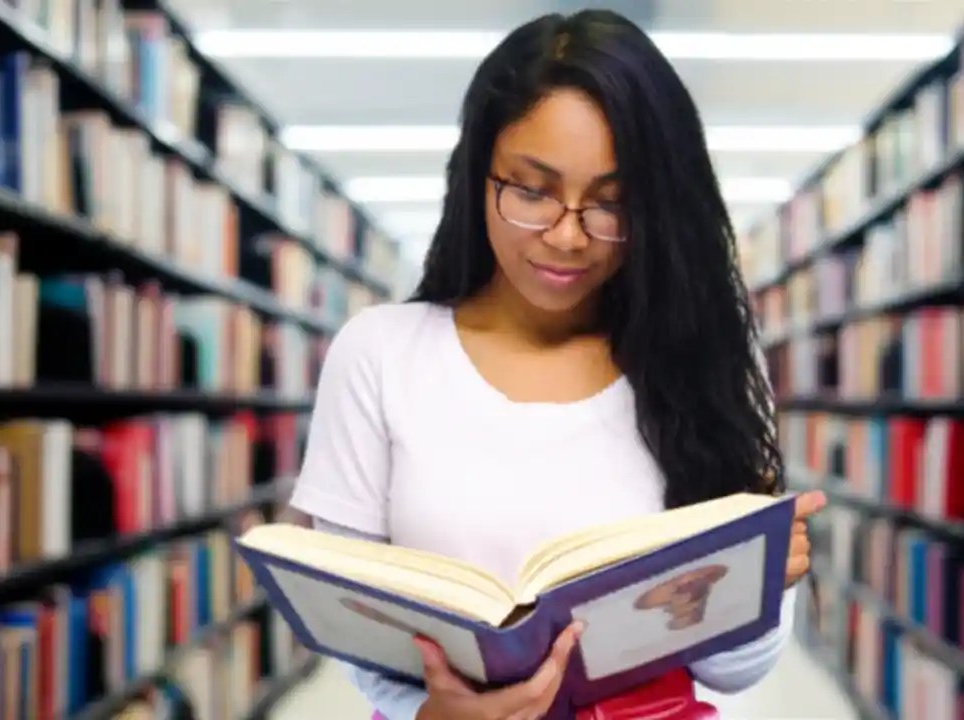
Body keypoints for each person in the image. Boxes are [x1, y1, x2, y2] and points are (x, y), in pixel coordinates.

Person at [287, 8, 827, 720]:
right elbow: (356, 632)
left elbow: (734, 672)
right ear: (478, 175)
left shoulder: (708, 356)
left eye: (612, 204)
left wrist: (757, 586)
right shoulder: (379, 354)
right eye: (532, 191)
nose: (568, 237)